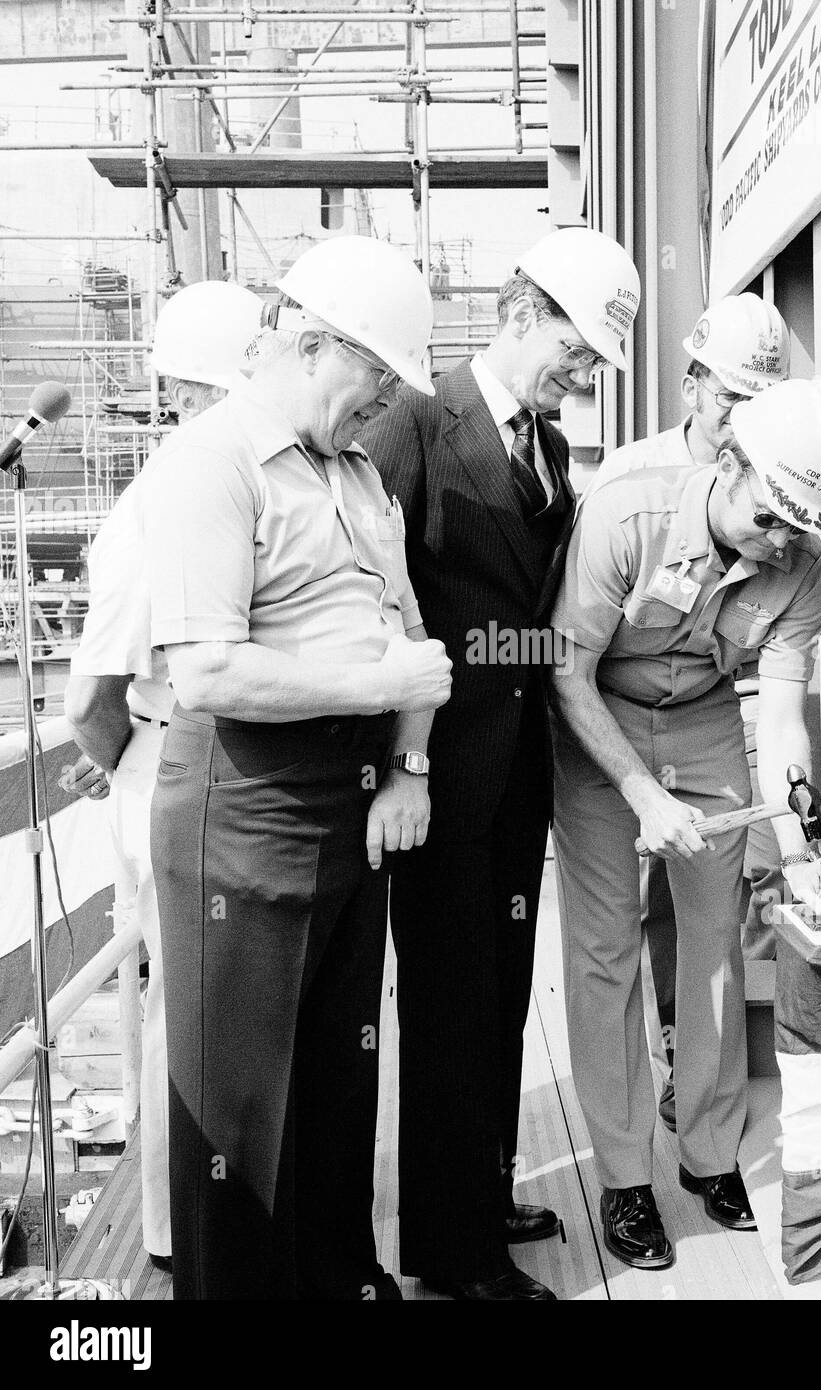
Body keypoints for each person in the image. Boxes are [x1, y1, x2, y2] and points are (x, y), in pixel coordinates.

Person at [140, 235, 453, 1300]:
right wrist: (379, 691)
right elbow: (209, 671)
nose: (382, 403)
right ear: (315, 343)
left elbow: (414, 639)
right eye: (374, 376)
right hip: (243, 811)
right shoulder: (212, 463)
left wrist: (408, 766)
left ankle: (337, 1282)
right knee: (235, 1118)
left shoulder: (358, 476)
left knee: (334, 1081)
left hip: (353, 810)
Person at [359, 227, 640, 1300]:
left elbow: (519, 618)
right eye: (577, 345)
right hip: (434, 776)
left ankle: (479, 1193)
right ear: (522, 314)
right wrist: (397, 763)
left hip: (515, 778)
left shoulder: (550, 451)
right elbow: (369, 594)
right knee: (445, 1014)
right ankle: (453, 1255)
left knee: (497, 999)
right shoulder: (416, 426)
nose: (587, 372)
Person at [549, 377, 821, 1270]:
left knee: (715, 939)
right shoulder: (623, 515)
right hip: (599, 718)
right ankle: (622, 1177)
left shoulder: (803, 563)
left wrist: (800, 842)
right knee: (605, 949)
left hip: (707, 720)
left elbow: (784, 714)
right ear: (729, 464)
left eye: (799, 530)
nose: (778, 546)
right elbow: (568, 673)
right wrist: (645, 794)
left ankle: (710, 1155)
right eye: (768, 519)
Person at [62, 278, 263, 1270]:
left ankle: (210, 1220)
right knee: (178, 1015)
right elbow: (88, 701)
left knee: (205, 1009)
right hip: (168, 759)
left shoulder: (210, 484)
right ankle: (178, 1230)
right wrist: (134, 759)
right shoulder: (157, 509)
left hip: (192, 761)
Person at [583, 293, 792, 1131]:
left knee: (706, 920)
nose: (743, 416)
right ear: (692, 385)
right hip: (615, 713)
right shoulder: (631, 482)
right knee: (616, 925)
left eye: (759, 402)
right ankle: (625, 1139)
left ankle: (694, 1095)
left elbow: (781, 696)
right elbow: (576, 646)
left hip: (707, 712)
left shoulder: (780, 505)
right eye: (731, 395)